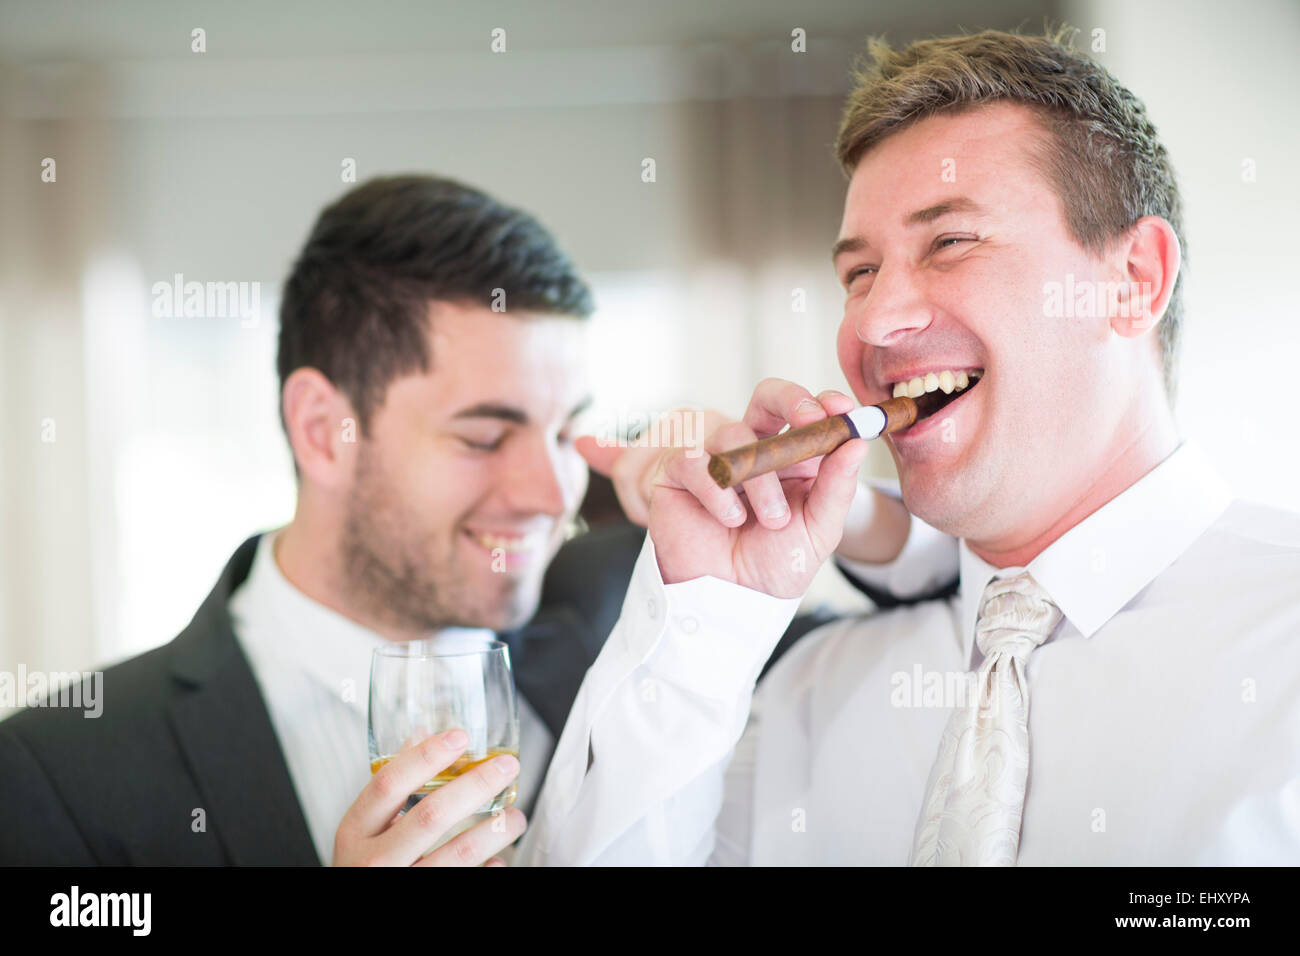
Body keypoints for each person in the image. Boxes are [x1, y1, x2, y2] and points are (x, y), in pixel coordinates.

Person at [0, 175, 949, 866]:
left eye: (565, 429)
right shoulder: (58, 772)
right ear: (322, 430)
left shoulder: (639, 604)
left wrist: (826, 493)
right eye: (485, 436)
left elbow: (962, 593)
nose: (548, 496)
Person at [517, 29, 1300, 866]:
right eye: (857, 274)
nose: (874, 324)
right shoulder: (806, 696)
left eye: (950, 242)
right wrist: (711, 606)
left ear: (1134, 277)